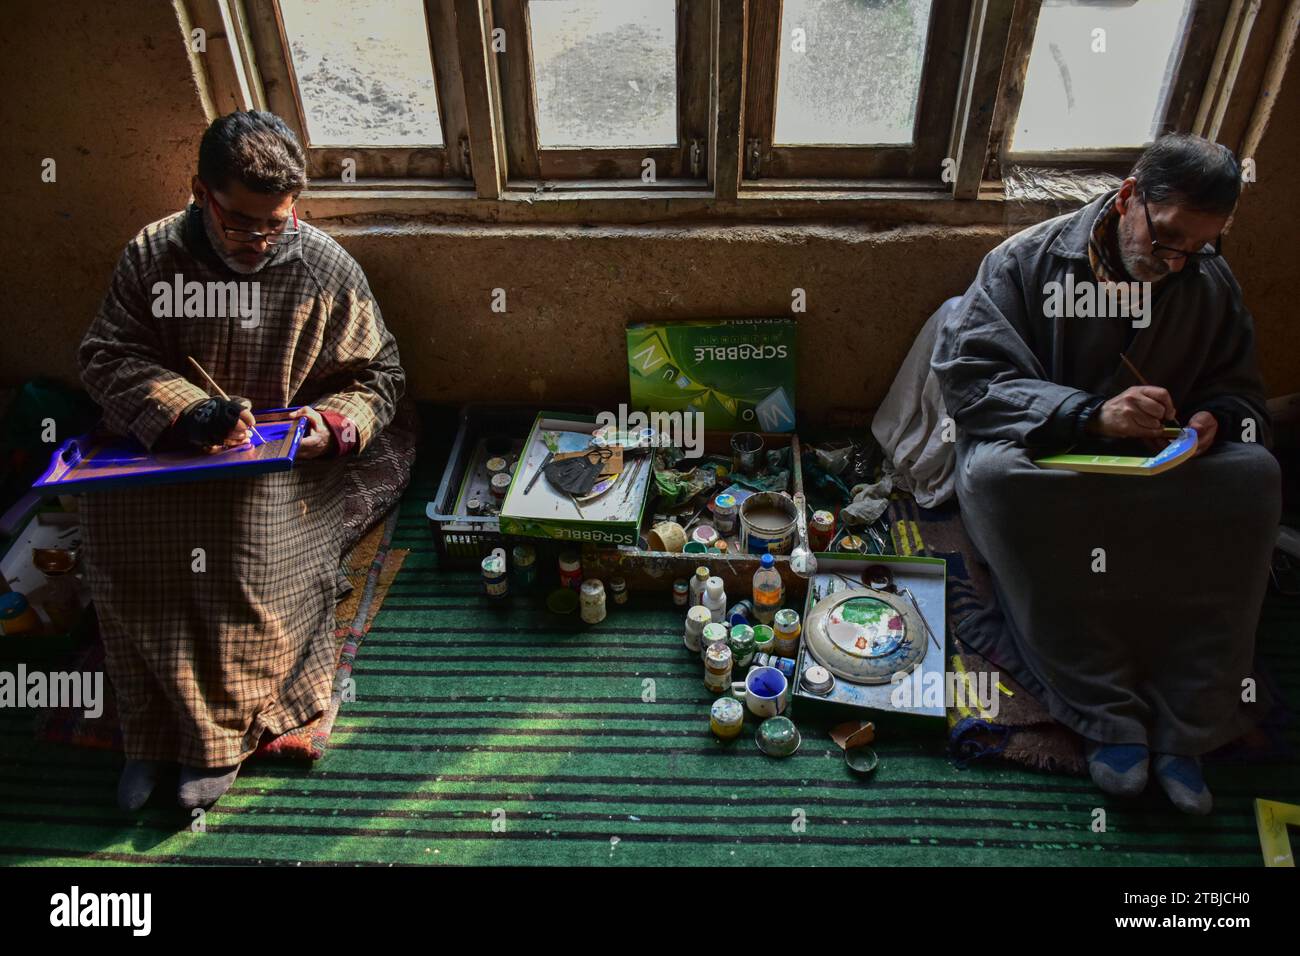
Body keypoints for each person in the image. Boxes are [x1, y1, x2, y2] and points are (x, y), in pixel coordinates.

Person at [932, 133, 1281, 814]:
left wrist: (1219, 421)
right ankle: (1104, 712)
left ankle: (1190, 721)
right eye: (1168, 238)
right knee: (995, 480)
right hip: (1051, 466)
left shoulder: (1206, 276)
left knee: (1256, 476)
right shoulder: (1024, 263)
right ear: (1128, 199)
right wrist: (1089, 416)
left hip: (1158, 473)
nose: (1176, 262)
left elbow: (1240, 395)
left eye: (1197, 248)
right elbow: (972, 384)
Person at [78, 110, 405, 810]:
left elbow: (378, 378)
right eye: (239, 224)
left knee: (234, 553)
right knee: (119, 537)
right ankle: (150, 733)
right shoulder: (152, 255)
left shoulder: (323, 267)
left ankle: (218, 737)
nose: (258, 241)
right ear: (202, 193)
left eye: (276, 224)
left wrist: (335, 427)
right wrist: (189, 412)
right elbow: (106, 355)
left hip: (276, 468)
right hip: (165, 450)